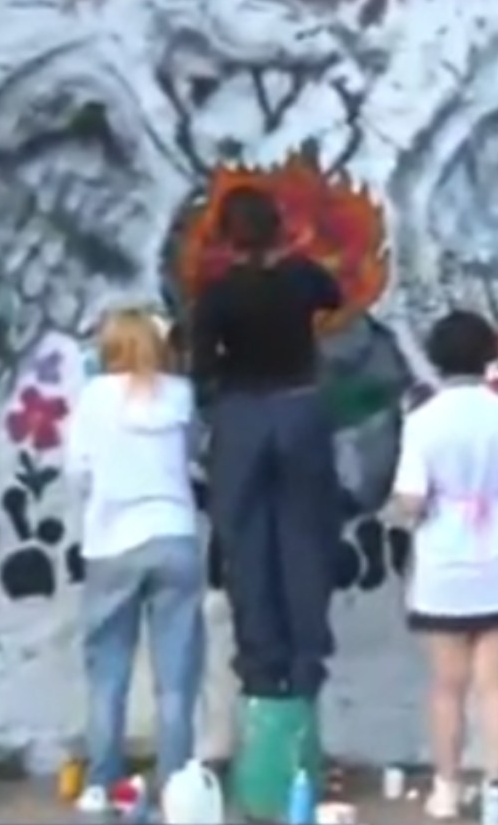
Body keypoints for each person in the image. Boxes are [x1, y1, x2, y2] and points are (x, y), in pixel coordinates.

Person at [188, 186, 345, 706]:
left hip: (242, 417)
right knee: (305, 542)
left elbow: (202, 369)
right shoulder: (302, 277)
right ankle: (305, 673)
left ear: (226, 236)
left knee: (246, 547)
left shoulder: (217, 295)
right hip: (300, 409)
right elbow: (334, 296)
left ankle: (260, 675)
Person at [390, 311, 498, 825]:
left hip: (445, 564)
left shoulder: (423, 420)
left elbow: (411, 501)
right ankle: (497, 790)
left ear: (436, 357)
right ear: (487, 356)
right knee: (496, 685)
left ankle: (446, 790)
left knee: (447, 686)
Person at [67, 307, 206, 813]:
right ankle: (176, 786)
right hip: (174, 535)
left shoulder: (93, 399)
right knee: (176, 677)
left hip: (112, 543)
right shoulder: (180, 395)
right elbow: (193, 454)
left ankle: (103, 783)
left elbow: (77, 473)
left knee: (108, 674)